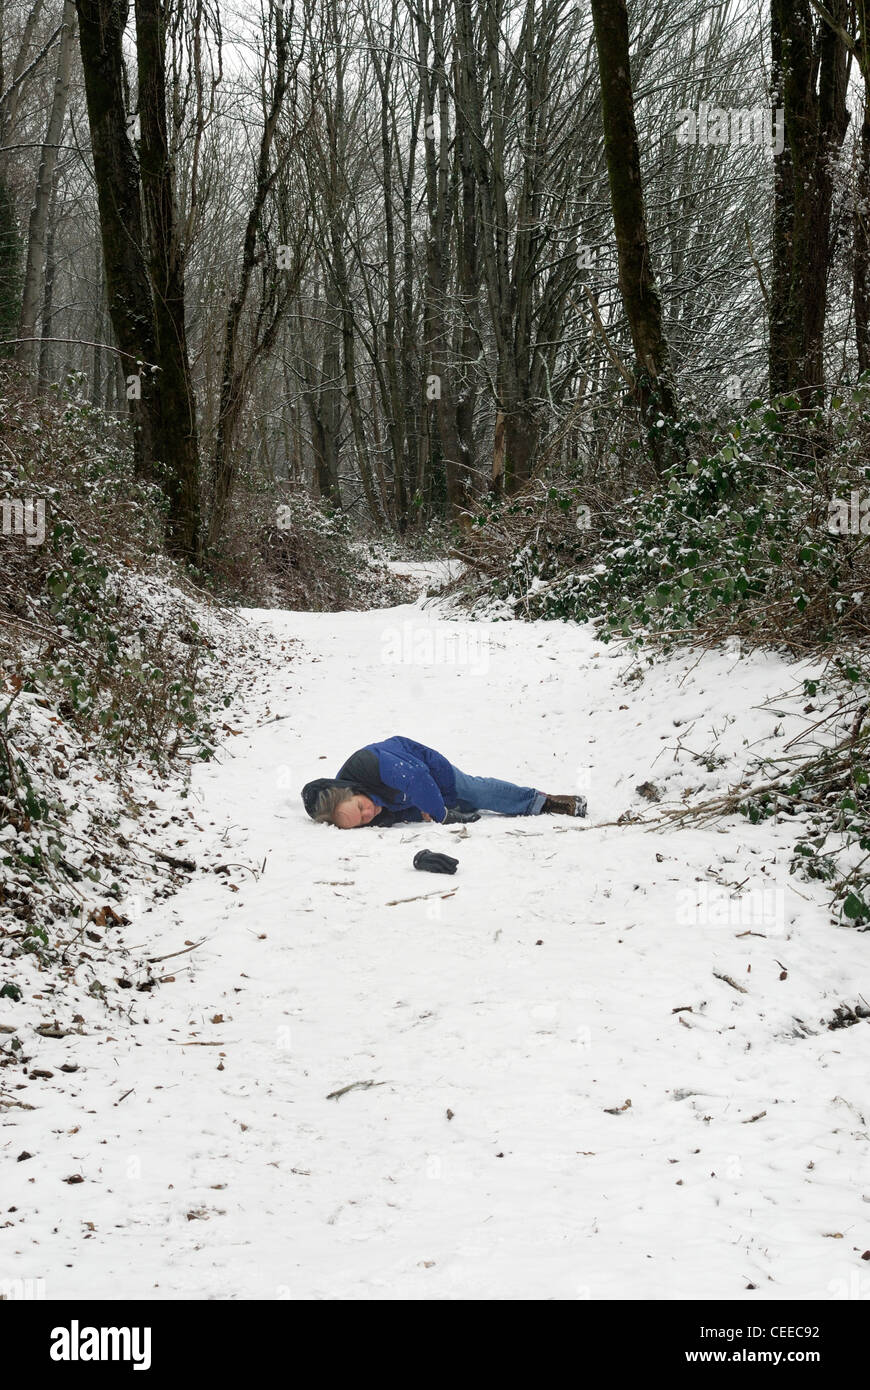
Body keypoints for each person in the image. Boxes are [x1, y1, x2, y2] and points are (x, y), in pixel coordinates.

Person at [301, 734, 586, 828]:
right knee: (461, 805)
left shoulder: (366, 764)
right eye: (362, 821)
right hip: (410, 793)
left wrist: (441, 813)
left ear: (350, 791)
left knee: (472, 791)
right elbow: (398, 813)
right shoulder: (363, 812)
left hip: (427, 767)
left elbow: (416, 778)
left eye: (361, 807)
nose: (368, 814)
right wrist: (422, 813)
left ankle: (545, 802)